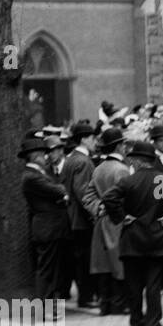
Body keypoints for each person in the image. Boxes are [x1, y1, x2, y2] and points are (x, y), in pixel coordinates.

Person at [102, 141, 163, 326]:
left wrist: (121, 217)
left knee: (133, 284)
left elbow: (109, 198)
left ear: (136, 160)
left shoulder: (129, 181)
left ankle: (136, 323)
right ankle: (154, 323)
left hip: (133, 237)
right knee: (153, 283)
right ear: (152, 160)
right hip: (158, 236)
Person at [22, 135, 70, 303]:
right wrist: (61, 193)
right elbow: (58, 190)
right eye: (44, 154)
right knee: (46, 269)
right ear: (36, 155)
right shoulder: (31, 176)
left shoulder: (38, 173)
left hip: (52, 227)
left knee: (52, 268)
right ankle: (43, 304)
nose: (46, 157)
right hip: (47, 228)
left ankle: (49, 303)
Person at [88, 126, 130, 316]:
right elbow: (127, 197)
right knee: (118, 263)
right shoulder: (122, 170)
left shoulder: (98, 169)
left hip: (101, 221)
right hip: (118, 221)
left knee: (103, 265)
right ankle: (119, 304)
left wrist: (99, 207)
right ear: (119, 146)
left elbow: (88, 195)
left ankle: (105, 304)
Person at [60, 119, 99, 308]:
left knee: (79, 259)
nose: (95, 141)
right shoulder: (83, 161)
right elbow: (83, 192)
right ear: (84, 139)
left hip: (71, 217)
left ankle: (86, 295)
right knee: (84, 260)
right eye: (92, 138)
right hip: (81, 219)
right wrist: (95, 213)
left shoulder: (70, 159)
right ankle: (86, 296)